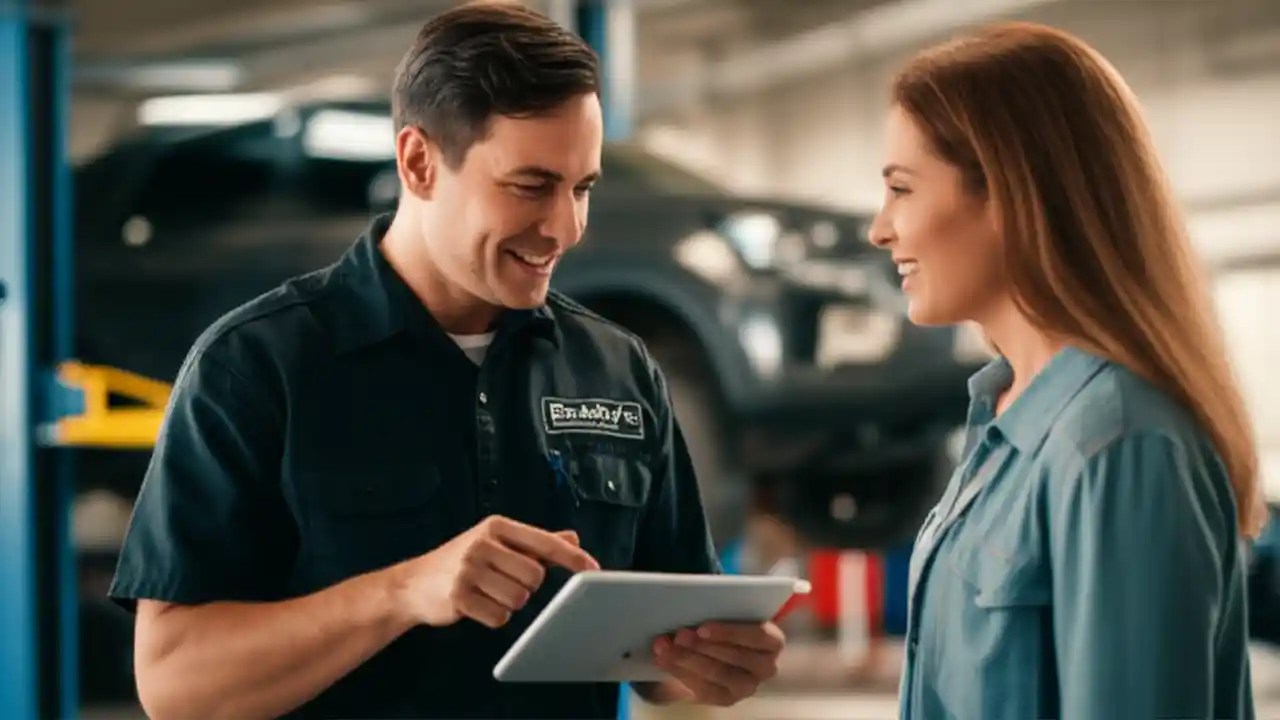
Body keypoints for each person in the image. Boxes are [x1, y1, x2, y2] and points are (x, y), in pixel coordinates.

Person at [108, 4, 785, 719]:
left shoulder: (619, 372)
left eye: (582, 188)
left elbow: (664, 656)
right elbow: (176, 685)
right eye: (531, 186)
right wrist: (402, 592)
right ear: (419, 162)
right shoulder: (255, 368)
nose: (566, 227)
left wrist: (715, 659)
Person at [867, 21, 1264, 720]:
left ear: (1011, 193)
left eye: (902, 188)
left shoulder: (1118, 447)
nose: (879, 229)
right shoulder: (1004, 427)